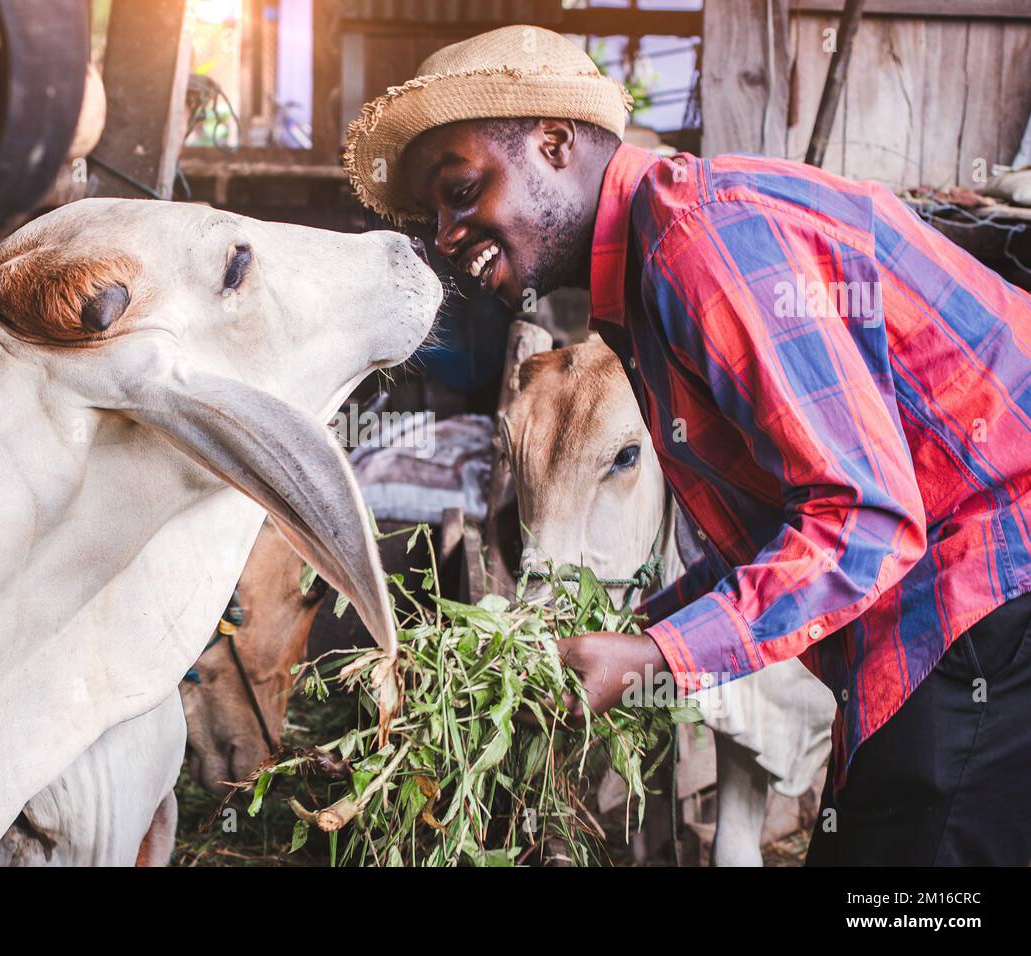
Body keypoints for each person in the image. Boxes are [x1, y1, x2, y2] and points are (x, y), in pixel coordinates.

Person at [343, 24, 1031, 865]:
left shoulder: (700, 241)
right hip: (960, 588)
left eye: (460, 190)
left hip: (997, 574)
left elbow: (867, 519)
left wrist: (655, 655)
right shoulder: (643, 285)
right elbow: (798, 516)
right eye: (434, 215)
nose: (446, 233)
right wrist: (639, 629)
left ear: (554, 144)